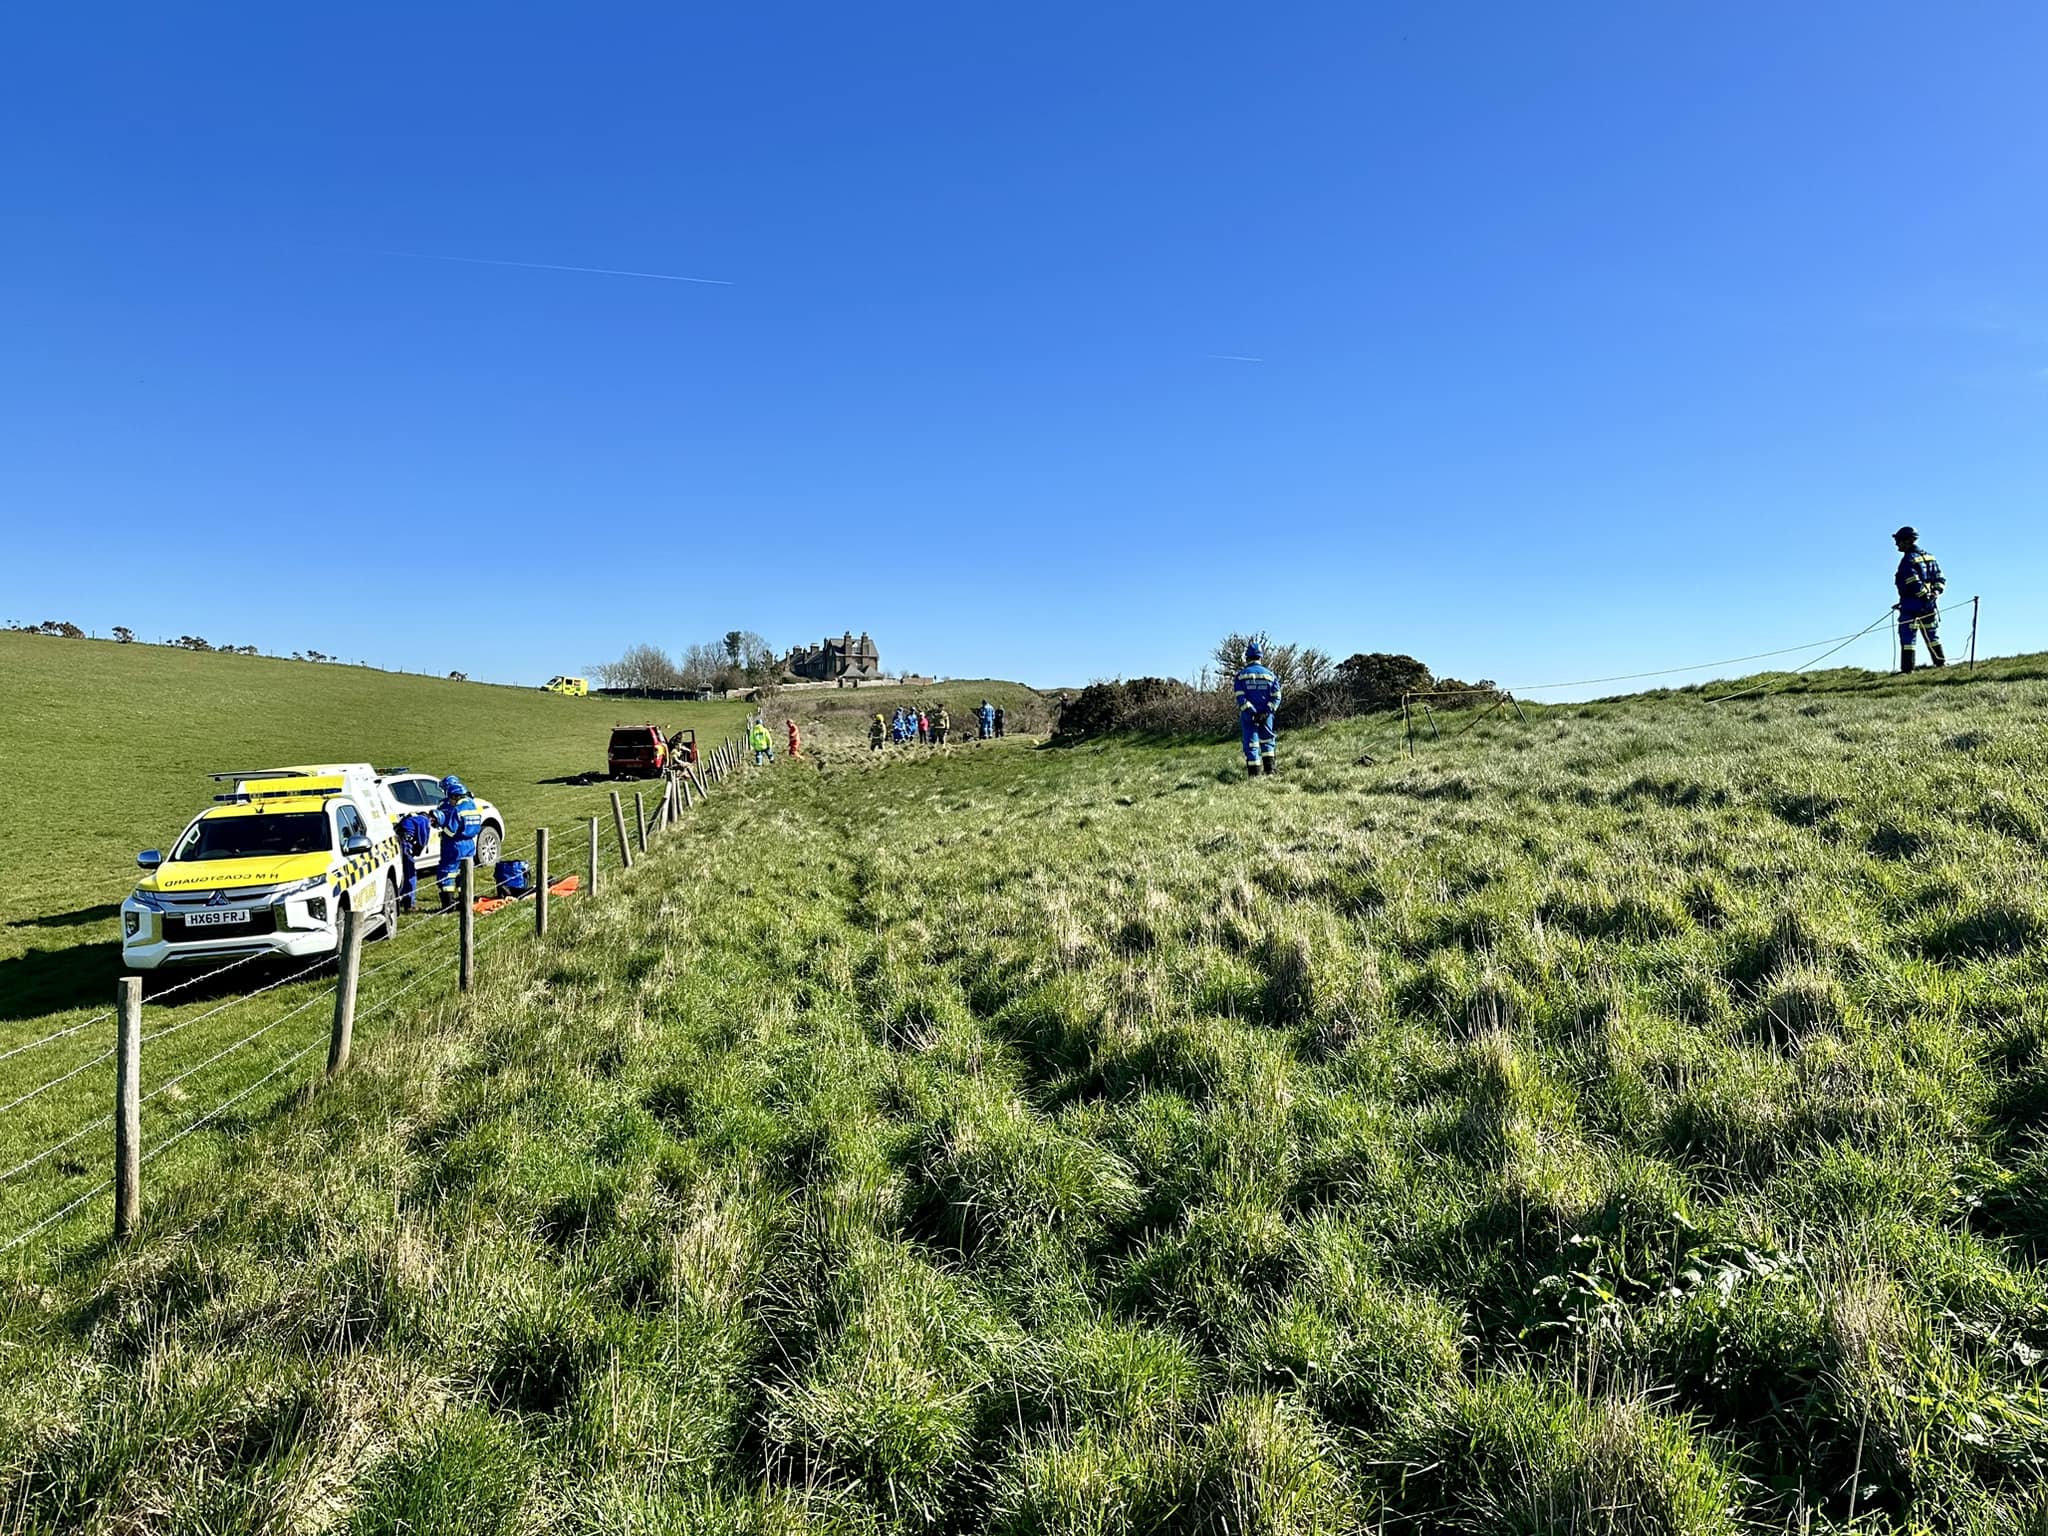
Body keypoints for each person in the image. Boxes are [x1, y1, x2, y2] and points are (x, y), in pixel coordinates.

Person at [1892, 526, 1947, 672]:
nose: (1897, 544)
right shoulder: (1931, 557)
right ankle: (1940, 664)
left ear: (1907, 541)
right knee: (1932, 633)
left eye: (1898, 541)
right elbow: (1940, 578)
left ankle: (1907, 670)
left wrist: (1921, 597)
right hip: (1929, 604)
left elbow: (1913, 582)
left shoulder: (1908, 560)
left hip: (1912, 605)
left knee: (1907, 635)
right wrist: (1934, 593)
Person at [433, 776, 484, 908]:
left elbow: (450, 831)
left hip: (454, 844)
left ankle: (448, 903)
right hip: (469, 844)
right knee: (464, 872)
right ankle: (465, 900)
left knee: (448, 871)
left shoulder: (455, 809)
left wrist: (442, 829)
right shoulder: (472, 805)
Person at [1234, 641, 1282, 777]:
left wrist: (1252, 712)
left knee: (1251, 744)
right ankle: (1270, 771)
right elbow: (1277, 696)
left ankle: (1254, 776)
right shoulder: (1270, 675)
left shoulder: (1241, 676)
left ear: (1247, 657)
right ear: (1261, 657)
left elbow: (1240, 697)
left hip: (1249, 716)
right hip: (1267, 716)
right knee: (1267, 741)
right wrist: (1267, 711)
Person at [395, 811, 433, 912]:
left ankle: (401, 897)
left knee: (402, 873)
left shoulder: (411, 817)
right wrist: (418, 850)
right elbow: (422, 839)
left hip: (398, 842)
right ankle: (409, 903)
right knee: (410, 874)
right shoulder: (424, 821)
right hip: (405, 844)